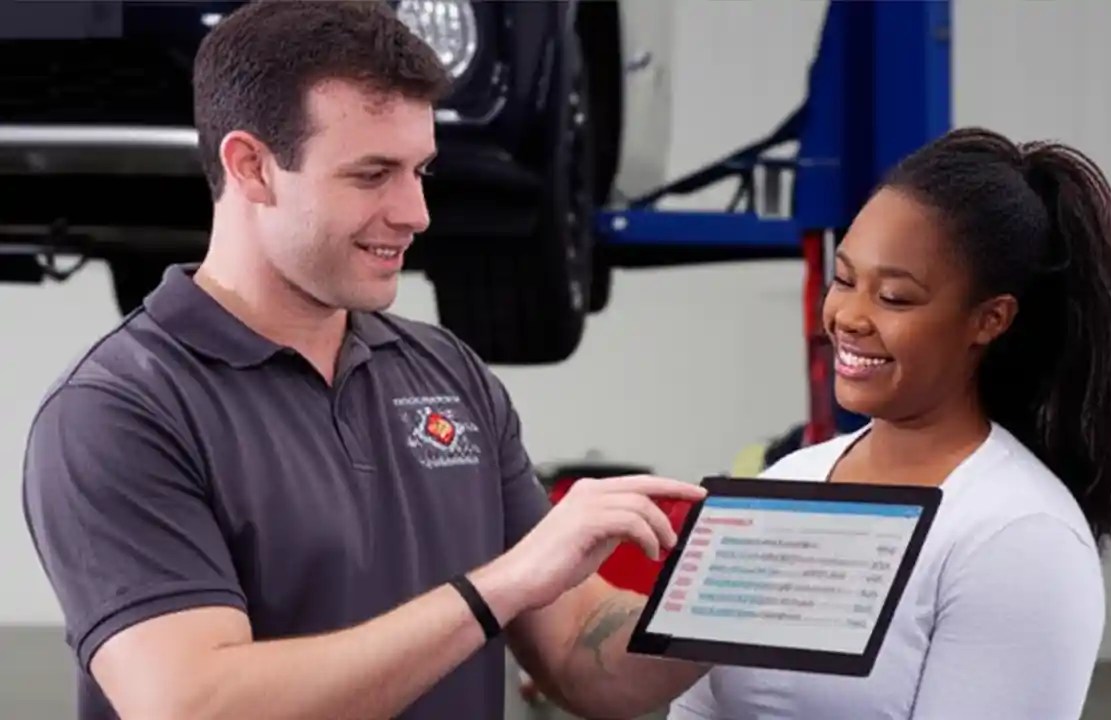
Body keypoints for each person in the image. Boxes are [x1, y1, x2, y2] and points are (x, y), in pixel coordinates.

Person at [20, 2, 710, 719]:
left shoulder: (449, 376)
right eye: (373, 174)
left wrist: (735, 609)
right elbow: (196, 705)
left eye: (421, 171)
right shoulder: (118, 409)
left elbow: (579, 653)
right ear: (251, 166)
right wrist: (498, 588)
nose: (416, 212)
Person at [668, 127, 1111, 719]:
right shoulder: (789, 481)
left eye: (894, 298)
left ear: (989, 319)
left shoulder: (1019, 535)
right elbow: (697, 707)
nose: (849, 317)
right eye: (844, 279)